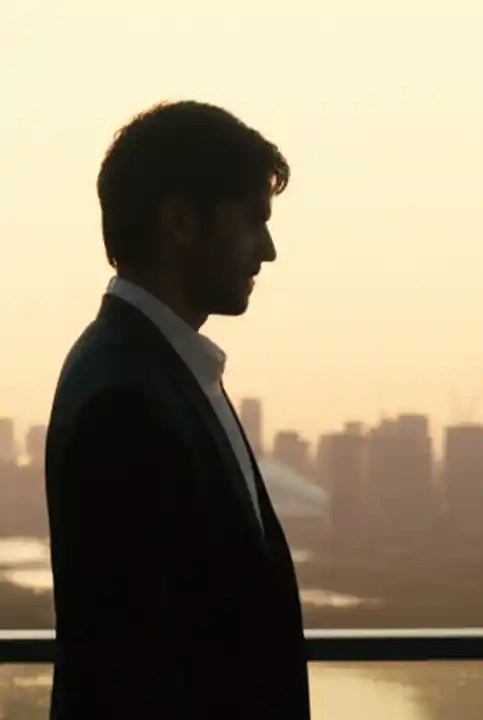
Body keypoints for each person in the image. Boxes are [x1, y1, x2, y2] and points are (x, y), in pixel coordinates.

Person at [44, 101, 310, 718]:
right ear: (181, 222)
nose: (267, 250)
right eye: (252, 221)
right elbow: (134, 667)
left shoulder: (159, 372)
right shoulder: (127, 399)